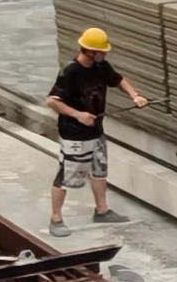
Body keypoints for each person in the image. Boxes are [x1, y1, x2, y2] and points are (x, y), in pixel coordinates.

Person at [48, 27, 133, 227]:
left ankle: (102, 210)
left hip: (96, 131)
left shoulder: (102, 67)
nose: (104, 54)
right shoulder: (70, 72)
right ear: (90, 51)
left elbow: (119, 80)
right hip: (75, 135)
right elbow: (52, 101)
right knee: (66, 175)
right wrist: (79, 115)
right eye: (102, 51)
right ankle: (56, 218)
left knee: (99, 170)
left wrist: (135, 95)